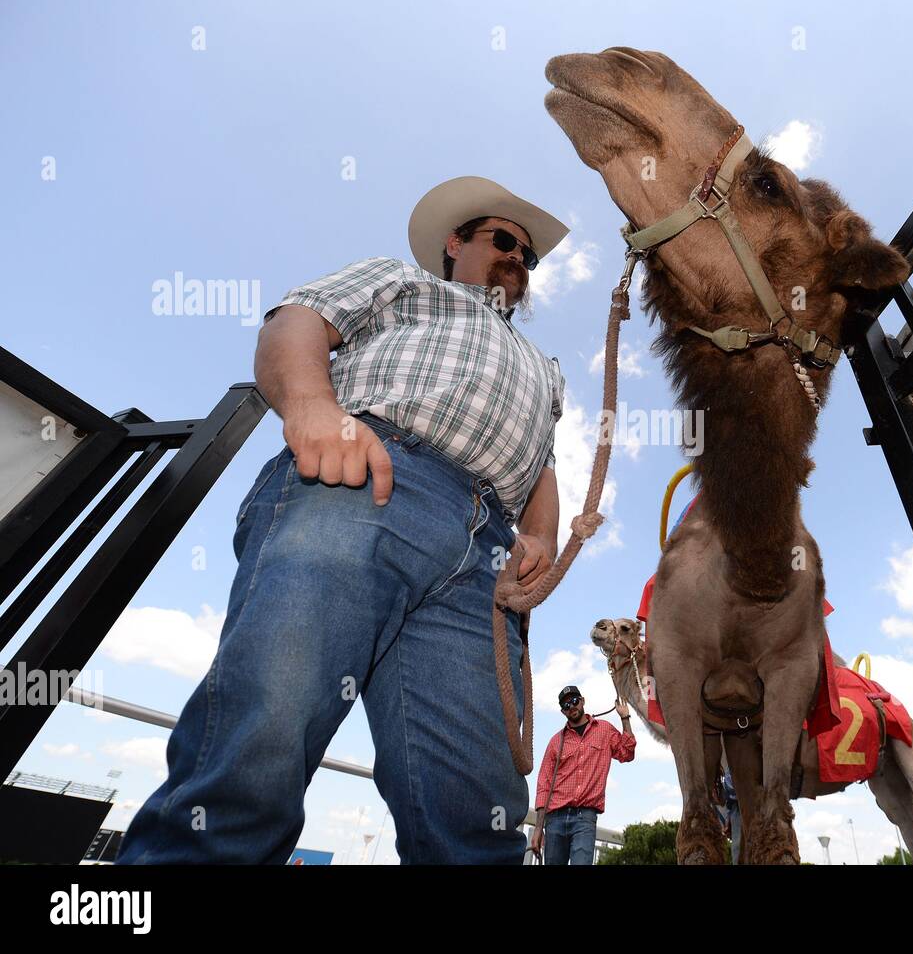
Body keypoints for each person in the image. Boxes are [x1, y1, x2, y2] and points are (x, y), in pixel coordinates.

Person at [118, 176, 569, 864]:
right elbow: (295, 321)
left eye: (528, 256)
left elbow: (543, 468)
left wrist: (540, 537)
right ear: (454, 244)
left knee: (478, 805)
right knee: (266, 731)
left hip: (485, 560)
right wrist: (310, 407)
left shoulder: (547, 368)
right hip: (368, 480)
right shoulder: (401, 280)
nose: (517, 258)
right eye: (503, 240)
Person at [530, 686, 635, 865]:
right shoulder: (556, 742)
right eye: (566, 705)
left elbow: (627, 753)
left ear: (583, 701)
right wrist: (539, 829)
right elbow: (543, 785)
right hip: (554, 819)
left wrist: (625, 718)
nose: (571, 706)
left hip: (584, 818)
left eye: (574, 701)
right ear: (563, 712)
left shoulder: (604, 730)